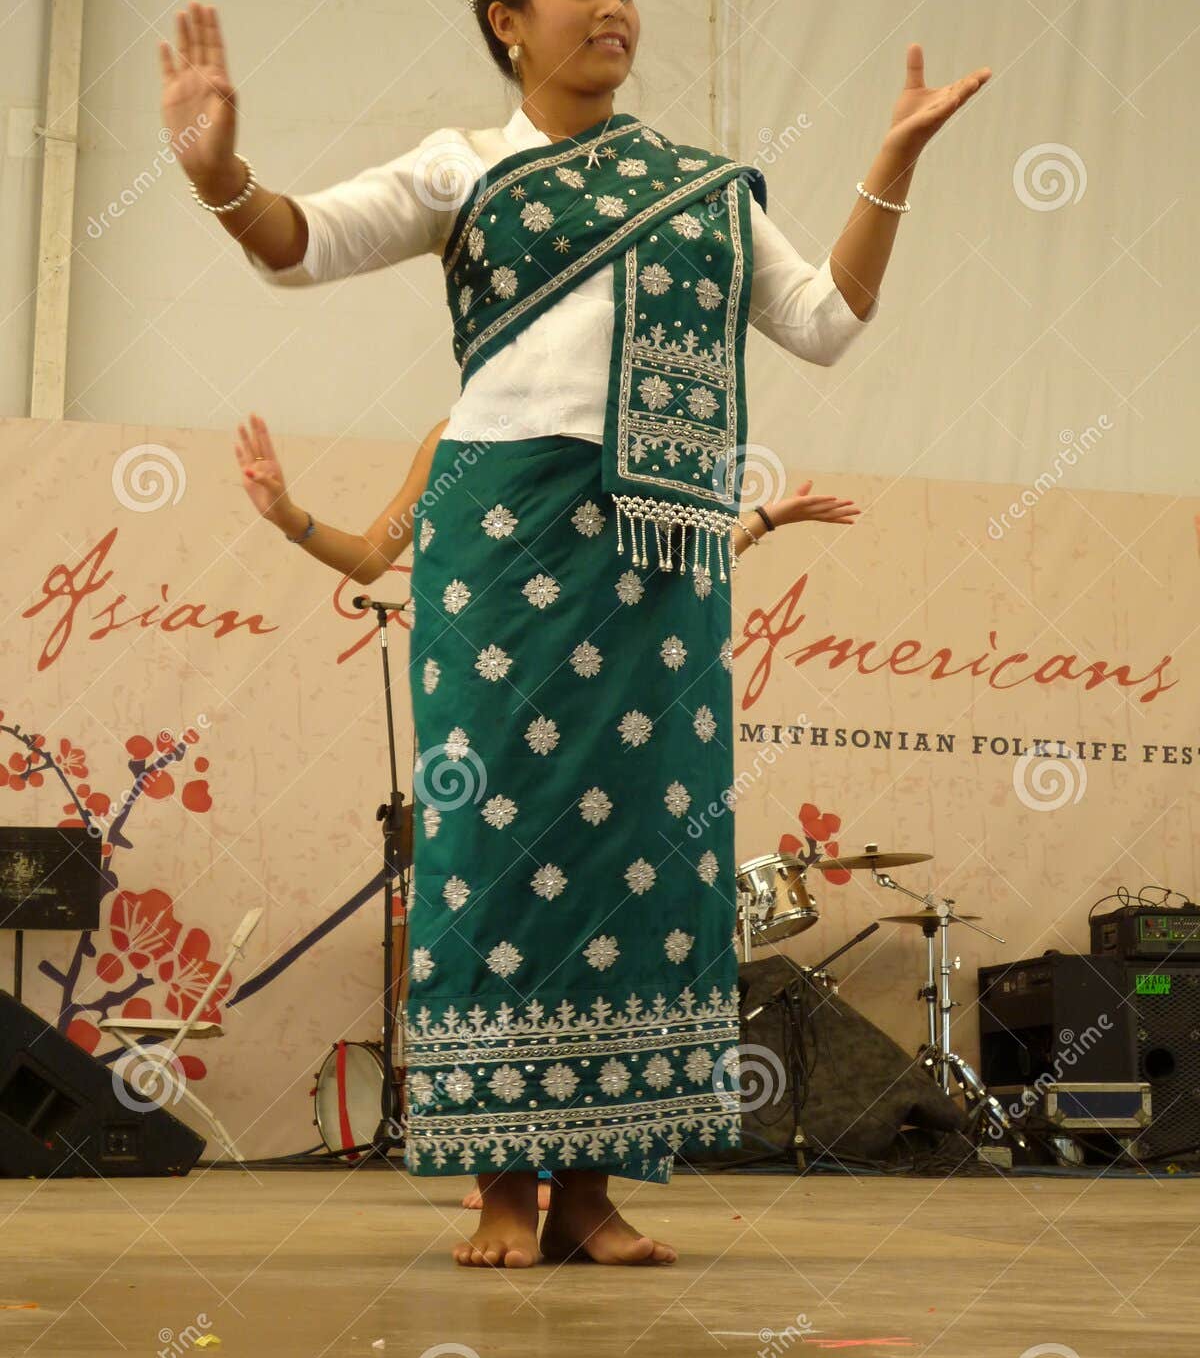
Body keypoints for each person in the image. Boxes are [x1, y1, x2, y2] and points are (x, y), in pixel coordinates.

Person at [164, 0, 988, 1269]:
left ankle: (597, 1183)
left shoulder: (703, 189)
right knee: (491, 846)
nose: (612, 7)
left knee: (641, 855)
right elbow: (297, 243)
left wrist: (890, 161)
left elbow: (829, 323)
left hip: (655, 554)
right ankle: (500, 1182)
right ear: (509, 19)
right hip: (500, 540)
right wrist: (214, 172)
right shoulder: (464, 170)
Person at [232, 410, 861, 1217]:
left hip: (613, 734)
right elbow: (372, 558)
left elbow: (663, 584)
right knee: (500, 927)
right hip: (502, 731)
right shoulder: (462, 433)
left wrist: (763, 522)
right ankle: (501, 1183)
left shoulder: (644, 426)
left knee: (610, 924)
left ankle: (585, 1198)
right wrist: (286, 512)